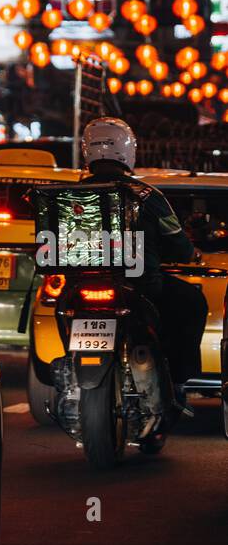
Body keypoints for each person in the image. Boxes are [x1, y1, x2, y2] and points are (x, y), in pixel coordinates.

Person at [81, 117, 208, 406]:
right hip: (141, 286)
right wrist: (191, 254)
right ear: (127, 151)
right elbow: (177, 242)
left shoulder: (69, 195)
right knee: (192, 302)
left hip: (81, 284)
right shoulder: (148, 195)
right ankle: (177, 381)